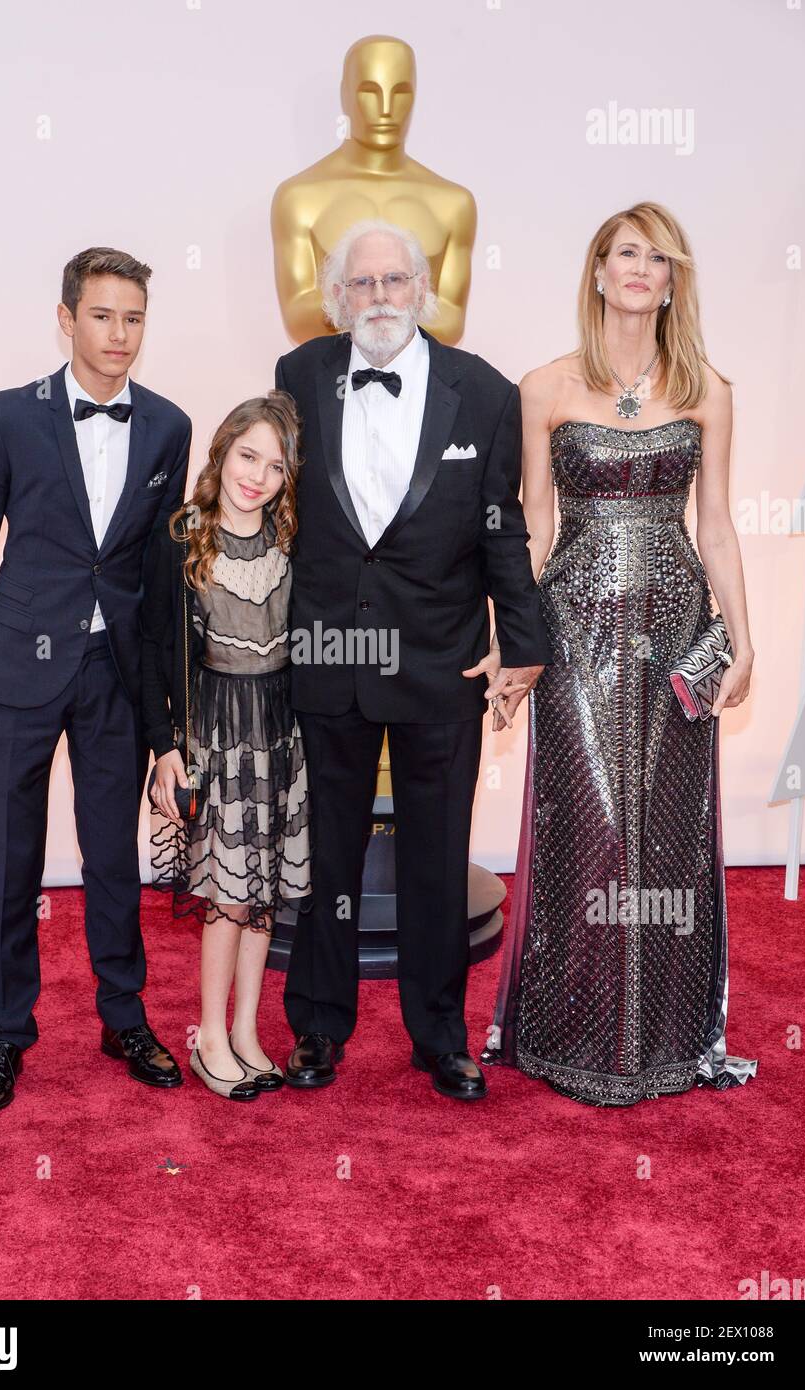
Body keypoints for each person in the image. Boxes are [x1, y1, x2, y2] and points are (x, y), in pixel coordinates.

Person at [482, 202, 758, 1106]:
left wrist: (743, 637)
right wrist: (509, 639)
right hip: (573, 635)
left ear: (674, 282)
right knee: (589, 830)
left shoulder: (708, 390)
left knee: (669, 838)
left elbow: (713, 524)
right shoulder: (546, 387)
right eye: (625, 253)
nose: (641, 269)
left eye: (659, 258)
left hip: (678, 631)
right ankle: (574, 1035)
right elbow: (534, 525)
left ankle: (670, 1042)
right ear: (598, 272)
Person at [274, 219, 552, 1101]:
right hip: (330, 653)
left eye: (396, 281)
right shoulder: (299, 376)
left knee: (437, 858)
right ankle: (318, 1026)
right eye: (362, 284)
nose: (381, 297)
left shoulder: (485, 392)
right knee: (328, 858)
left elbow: (502, 529)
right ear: (337, 298)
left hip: (442, 663)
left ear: (423, 290)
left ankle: (441, 1036)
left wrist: (525, 642)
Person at [0, 247, 190, 1114]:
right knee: (13, 862)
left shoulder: (168, 427)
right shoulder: (7, 418)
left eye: (134, 318)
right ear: (66, 318)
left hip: (113, 674)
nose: (119, 335)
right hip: (14, 667)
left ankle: (123, 1016)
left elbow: (160, 583)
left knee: (114, 859)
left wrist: (169, 723)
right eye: (103, 315)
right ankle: (4, 1033)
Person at [142, 392, 311, 1100]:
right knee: (227, 896)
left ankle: (246, 1030)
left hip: (279, 729)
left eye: (275, 467)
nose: (258, 477)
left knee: (264, 893)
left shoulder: (290, 537)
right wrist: (164, 747)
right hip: (217, 733)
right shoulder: (183, 535)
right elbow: (151, 647)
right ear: (222, 452)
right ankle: (209, 1034)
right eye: (248, 457)